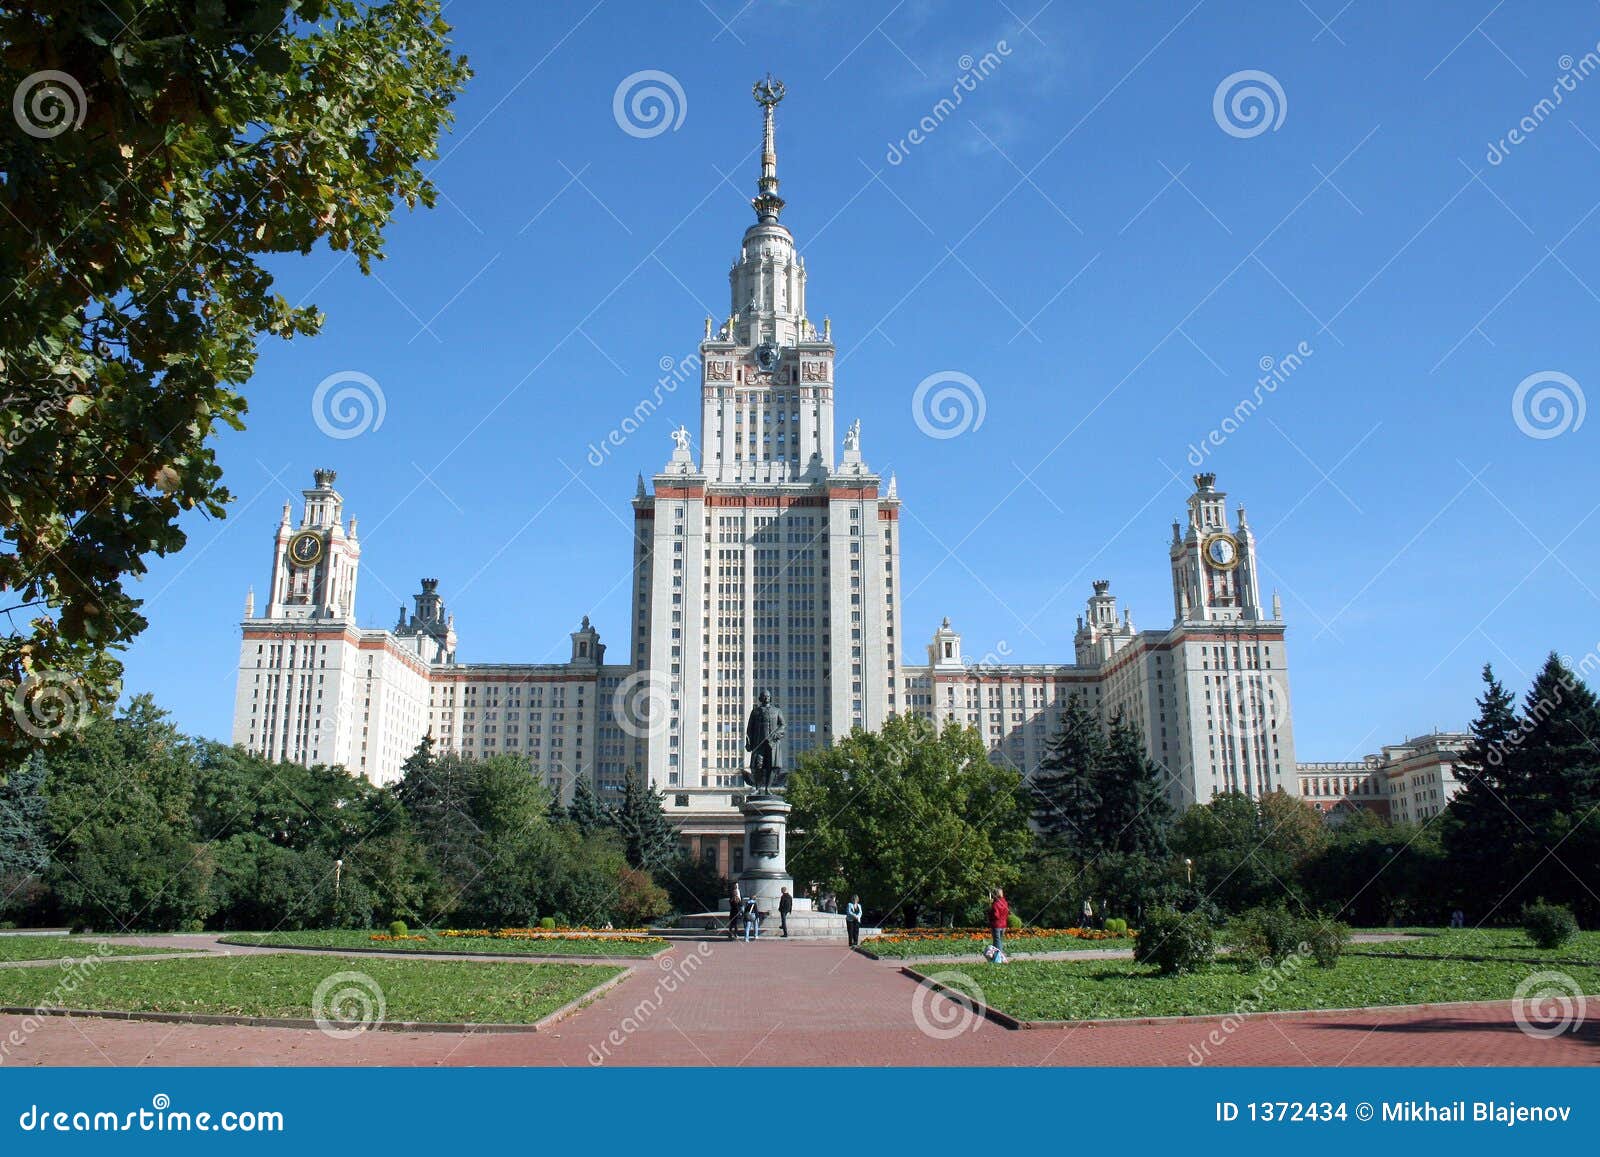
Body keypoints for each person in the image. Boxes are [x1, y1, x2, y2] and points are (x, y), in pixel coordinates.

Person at [989, 888, 1010, 953]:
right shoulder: (1005, 903)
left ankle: (999, 957)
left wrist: (989, 912)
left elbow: (996, 916)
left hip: (996, 925)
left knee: (997, 942)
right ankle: (996, 957)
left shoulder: (995, 904)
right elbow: (1007, 913)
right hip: (1004, 925)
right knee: (999, 941)